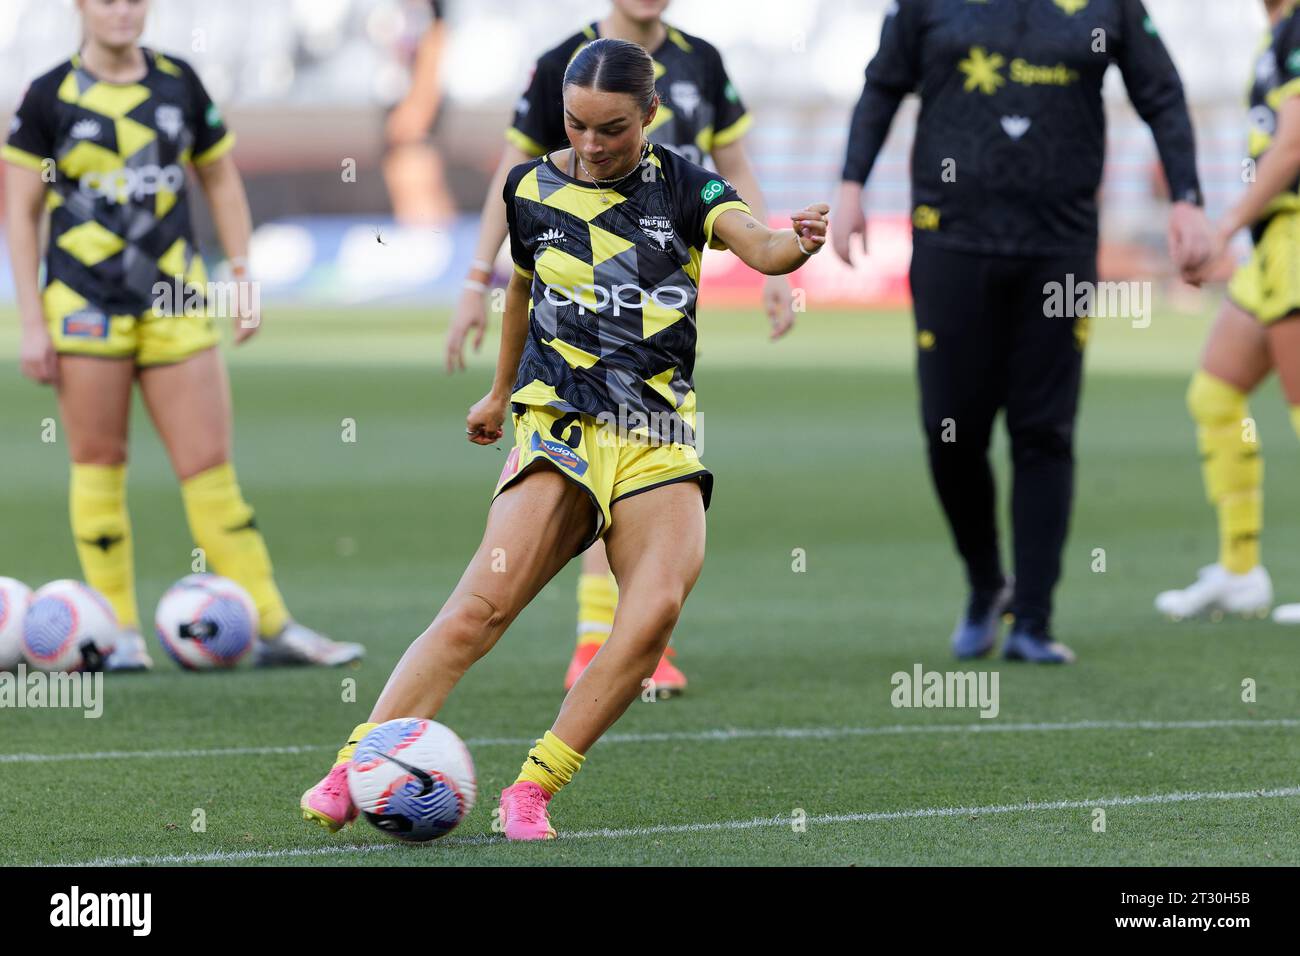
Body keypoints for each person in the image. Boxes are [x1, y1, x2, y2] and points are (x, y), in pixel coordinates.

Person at [299, 38, 829, 840]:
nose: (589, 143)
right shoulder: (531, 189)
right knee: (480, 608)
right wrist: (499, 390)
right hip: (559, 428)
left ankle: (532, 789)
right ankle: (351, 767)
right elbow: (521, 288)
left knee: (651, 617)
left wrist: (799, 242)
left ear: (649, 116)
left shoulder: (686, 183)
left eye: (610, 128)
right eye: (576, 124)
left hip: (656, 436)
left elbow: (759, 246)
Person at [834, 0, 1214, 663]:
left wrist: (1186, 196)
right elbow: (883, 85)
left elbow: (1162, 91)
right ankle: (988, 584)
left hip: (1058, 247)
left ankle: (1034, 619)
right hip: (950, 239)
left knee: (1045, 431)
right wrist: (850, 183)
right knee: (950, 431)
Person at [446, 0, 795, 696]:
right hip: (584, 293)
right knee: (606, 442)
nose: (592, 135)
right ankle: (597, 639)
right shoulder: (564, 64)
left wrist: (772, 258)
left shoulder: (704, 60)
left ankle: (627, 636)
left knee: (644, 457)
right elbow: (517, 181)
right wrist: (475, 277)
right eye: (581, 125)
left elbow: (732, 161)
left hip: (664, 280)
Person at [3, 0, 363, 669]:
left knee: (210, 473)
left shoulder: (179, 82)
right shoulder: (47, 96)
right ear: (81, 7)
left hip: (176, 302)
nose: (123, 11)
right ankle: (119, 635)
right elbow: (18, 211)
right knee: (98, 468)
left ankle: (272, 625)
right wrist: (31, 320)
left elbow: (220, 176)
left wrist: (243, 273)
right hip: (85, 306)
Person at [1156, 0, 1300, 625]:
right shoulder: (1275, 33)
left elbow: (1294, 147)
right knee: (1215, 395)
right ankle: (1240, 571)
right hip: (1274, 248)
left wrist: (1224, 228)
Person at [382, 0, 456, 225]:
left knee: (413, 175)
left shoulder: (428, 22)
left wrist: (413, 115)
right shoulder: (407, 16)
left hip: (415, 126)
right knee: (405, 175)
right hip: (406, 119)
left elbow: (431, 64)